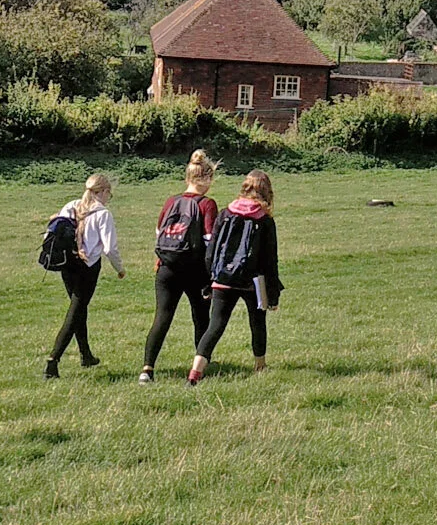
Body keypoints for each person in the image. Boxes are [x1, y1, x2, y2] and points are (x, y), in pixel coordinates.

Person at [187, 170, 282, 386]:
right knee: (257, 323)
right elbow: (270, 261)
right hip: (252, 281)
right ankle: (260, 366)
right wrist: (273, 296)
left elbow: (211, 250)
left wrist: (210, 279)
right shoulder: (265, 220)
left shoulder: (225, 213)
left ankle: (194, 373)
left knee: (215, 326)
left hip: (223, 278)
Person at [139, 150, 220, 384]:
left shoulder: (171, 201)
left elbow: (158, 233)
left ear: (187, 178)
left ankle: (147, 369)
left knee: (162, 318)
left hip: (166, 267)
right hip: (194, 269)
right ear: (207, 179)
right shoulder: (207, 204)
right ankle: (201, 364)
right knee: (201, 317)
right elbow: (208, 241)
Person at [45, 173, 123, 379]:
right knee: (76, 310)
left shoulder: (71, 205)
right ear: (102, 192)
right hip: (87, 268)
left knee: (78, 308)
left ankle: (85, 355)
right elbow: (110, 248)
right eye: (109, 193)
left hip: (66, 265)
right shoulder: (103, 214)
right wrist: (120, 269)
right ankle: (53, 361)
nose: (109, 197)